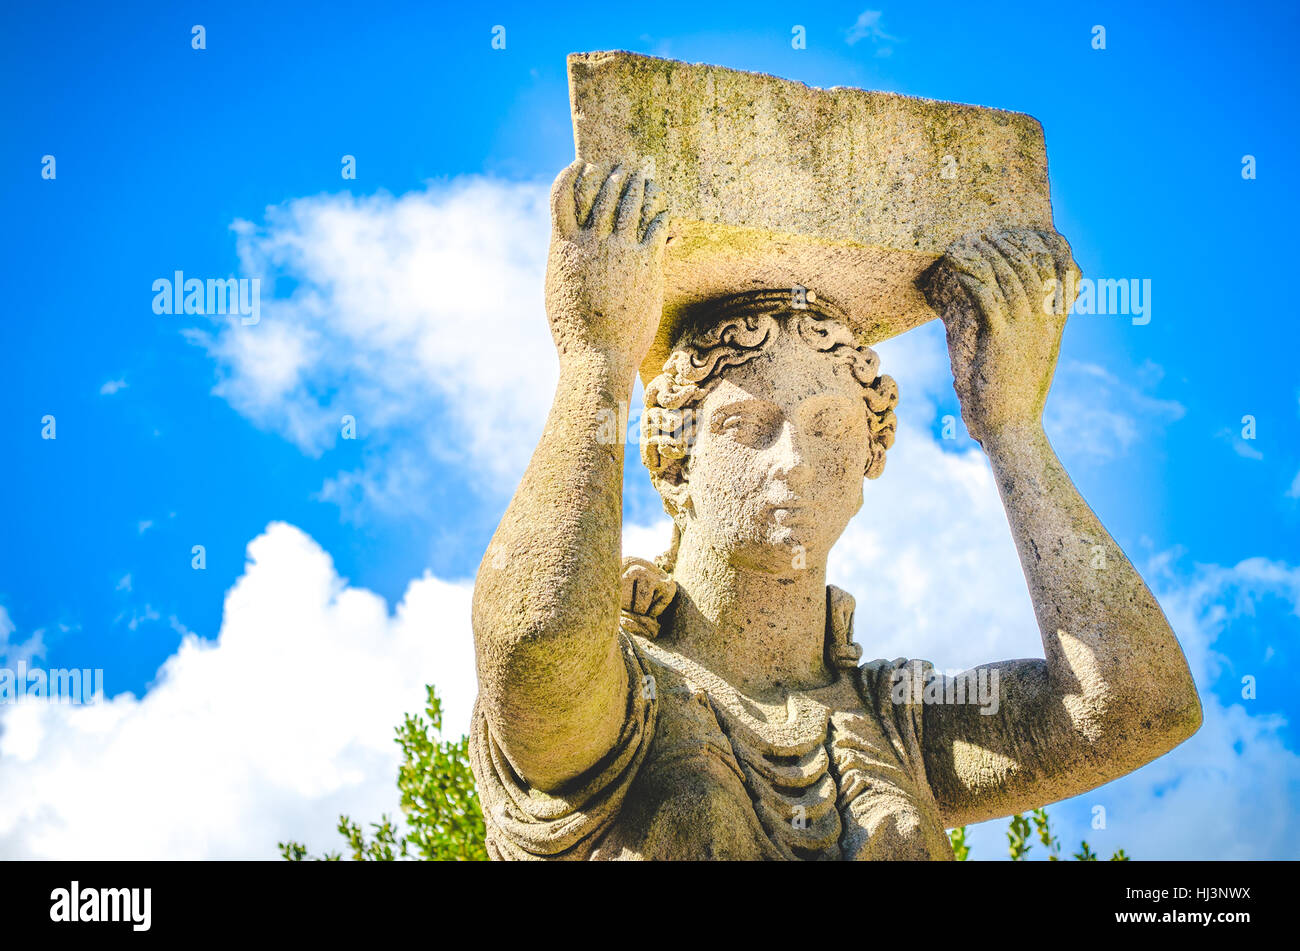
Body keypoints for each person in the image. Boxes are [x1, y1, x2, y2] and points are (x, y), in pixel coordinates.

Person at [467, 160, 1202, 860]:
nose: (792, 460)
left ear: (867, 462)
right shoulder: (625, 696)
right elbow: (535, 642)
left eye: (829, 429)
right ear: (672, 460)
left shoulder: (896, 722)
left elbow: (1139, 701)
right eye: (746, 425)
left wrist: (1011, 429)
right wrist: (595, 359)